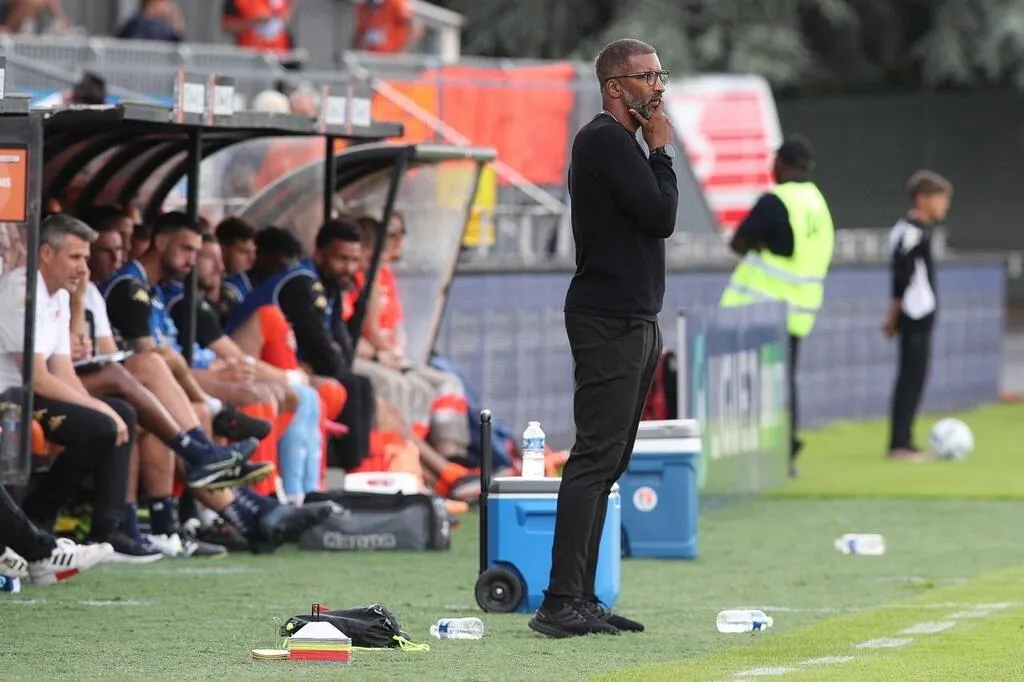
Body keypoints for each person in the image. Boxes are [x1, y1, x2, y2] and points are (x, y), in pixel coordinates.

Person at [530, 39, 677, 639]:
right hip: (608, 317)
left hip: (635, 315)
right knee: (594, 458)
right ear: (615, 86)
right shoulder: (603, 140)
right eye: (646, 76)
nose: (658, 87)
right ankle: (559, 601)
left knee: (611, 459)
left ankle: (582, 597)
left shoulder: (624, 145)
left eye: (662, 74)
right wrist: (661, 153)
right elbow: (661, 217)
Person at [0, 214, 154, 560]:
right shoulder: (20, 291)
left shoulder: (58, 295)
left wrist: (101, 408)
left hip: (30, 395)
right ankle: (38, 520)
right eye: (75, 257)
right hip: (9, 396)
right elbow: (36, 376)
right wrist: (99, 410)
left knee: (121, 415)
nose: (83, 267)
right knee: (102, 424)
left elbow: (63, 371)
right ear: (45, 254)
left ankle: (108, 530)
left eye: (86, 257)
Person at [719, 135, 835, 479]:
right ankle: (786, 455)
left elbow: (738, 243)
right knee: (784, 385)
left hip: (761, 310)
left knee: (748, 388)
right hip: (799, 313)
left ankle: (752, 457)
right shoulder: (818, 203)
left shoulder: (777, 201)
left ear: (782, 164)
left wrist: (757, 242)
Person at [883, 170, 952, 460]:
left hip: (919, 315)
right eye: (941, 199)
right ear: (922, 199)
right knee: (910, 378)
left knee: (916, 377)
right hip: (913, 314)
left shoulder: (918, 230)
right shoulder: (910, 232)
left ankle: (904, 440)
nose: (945, 206)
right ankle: (900, 444)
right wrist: (893, 314)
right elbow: (902, 276)